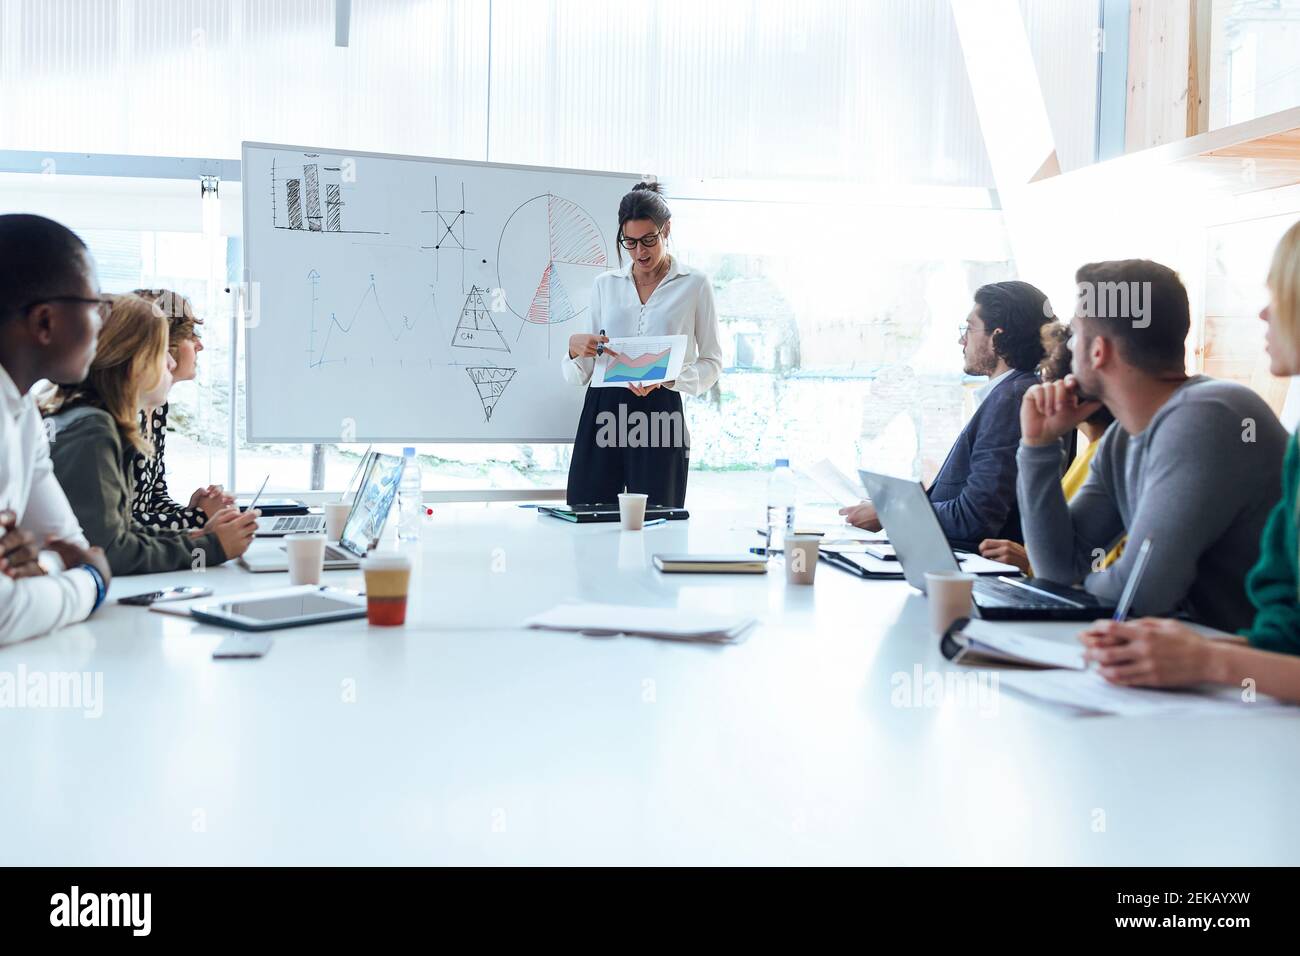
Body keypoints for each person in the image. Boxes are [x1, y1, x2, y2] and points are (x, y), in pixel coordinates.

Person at [1078, 223, 1300, 698]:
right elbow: (1285, 637)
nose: (1263, 312)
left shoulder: (1209, 414)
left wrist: (1211, 659)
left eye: (1281, 293)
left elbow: (1137, 593)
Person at [1017, 259, 1286, 633]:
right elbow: (1058, 569)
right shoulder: (1122, 439)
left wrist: (1082, 585)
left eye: (1075, 334)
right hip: (1183, 665)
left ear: (1098, 352)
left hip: (1254, 675)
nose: (1068, 345)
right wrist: (1038, 447)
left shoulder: (1209, 415)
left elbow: (1140, 595)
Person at [41, 293, 258, 574]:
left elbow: (123, 532)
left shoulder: (98, 423)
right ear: (133, 362)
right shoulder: (93, 430)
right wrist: (210, 547)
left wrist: (202, 537)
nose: (170, 363)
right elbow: (110, 552)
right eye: (161, 351)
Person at [841, 281, 1054, 552]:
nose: (961, 340)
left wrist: (891, 511)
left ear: (997, 337)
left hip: (973, 573)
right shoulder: (1011, 394)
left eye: (969, 328)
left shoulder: (1012, 399)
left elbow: (975, 516)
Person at [562, 182, 722, 508]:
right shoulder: (605, 285)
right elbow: (581, 372)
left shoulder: (694, 284)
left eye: (649, 240)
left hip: (661, 409)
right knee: (588, 513)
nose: (640, 252)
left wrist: (672, 379)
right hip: (603, 409)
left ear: (667, 230)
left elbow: (712, 361)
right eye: (630, 242)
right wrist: (574, 350)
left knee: (660, 519)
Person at [0, 213, 113, 645]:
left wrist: (45, 564)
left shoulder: (23, 408)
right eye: (95, 306)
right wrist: (94, 583)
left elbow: (67, 545)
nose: (102, 324)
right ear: (45, 322)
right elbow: (4, 612)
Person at [978, 322, 1121, 573]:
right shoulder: (1091, 453)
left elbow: (1097, 567)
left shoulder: (1104, 457)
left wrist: (1031, 564)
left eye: (1046, 378)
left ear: (1068, 387)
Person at [130, 288, 233, 532]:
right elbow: (118, 527)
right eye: (190, 335)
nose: (200, 345)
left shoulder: (157, 407)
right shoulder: (120, 413)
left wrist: (192, 512)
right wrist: (198, 520)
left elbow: (152, 501)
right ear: (164, 344)